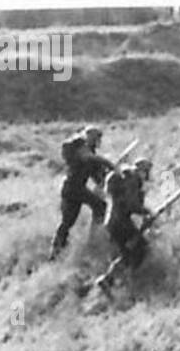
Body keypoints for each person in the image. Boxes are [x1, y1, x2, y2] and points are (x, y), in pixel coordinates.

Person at [50, 125, 114, 258]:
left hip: (74, 189)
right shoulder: (80, 146)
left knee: (68, 221)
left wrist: (110, 176)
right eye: (97, 138)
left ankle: (57, 250)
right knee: (99, 206)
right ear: (91, 137)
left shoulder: (91, 154)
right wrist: (109, 163)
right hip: (73, 188)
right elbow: (88, 158)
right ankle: (94, 239)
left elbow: (98, 177)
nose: (98, 141)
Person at [94, 157, 152, 294]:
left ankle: (108, 279)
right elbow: (132, 204)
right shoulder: (132, 180)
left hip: (113, 221)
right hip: (120, 222)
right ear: (143, 170)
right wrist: (147, 212)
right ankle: (129, 282)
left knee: (127, 253)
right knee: (140, 248)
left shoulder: (125, 177)